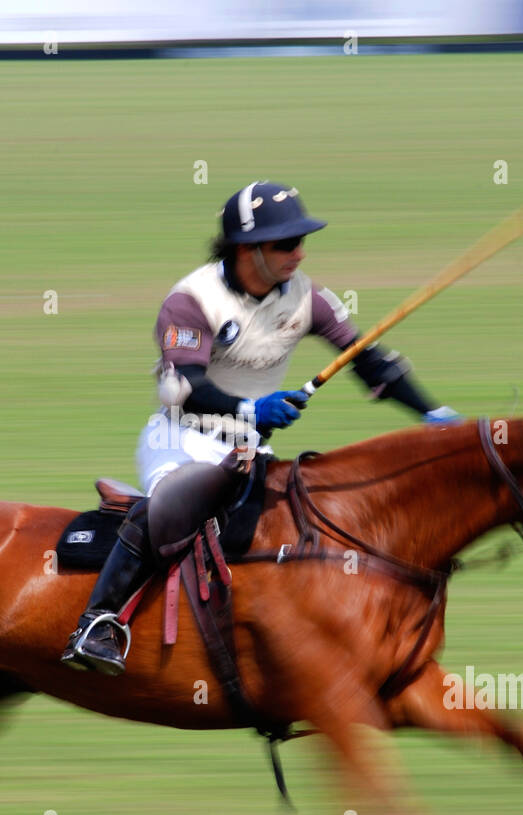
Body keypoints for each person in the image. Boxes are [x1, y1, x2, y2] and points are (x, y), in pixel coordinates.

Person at [59, 180, 459, 676]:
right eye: (287, 243)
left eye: (301, 241)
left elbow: (369, 362)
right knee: (171, 508)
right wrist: (251, 409)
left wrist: (432, 414)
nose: (299, 252)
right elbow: (184, 386)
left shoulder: (308, 297)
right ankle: (99, 624)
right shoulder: (192, 301)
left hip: (247, 449)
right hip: (184, 440)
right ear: (248, 249)